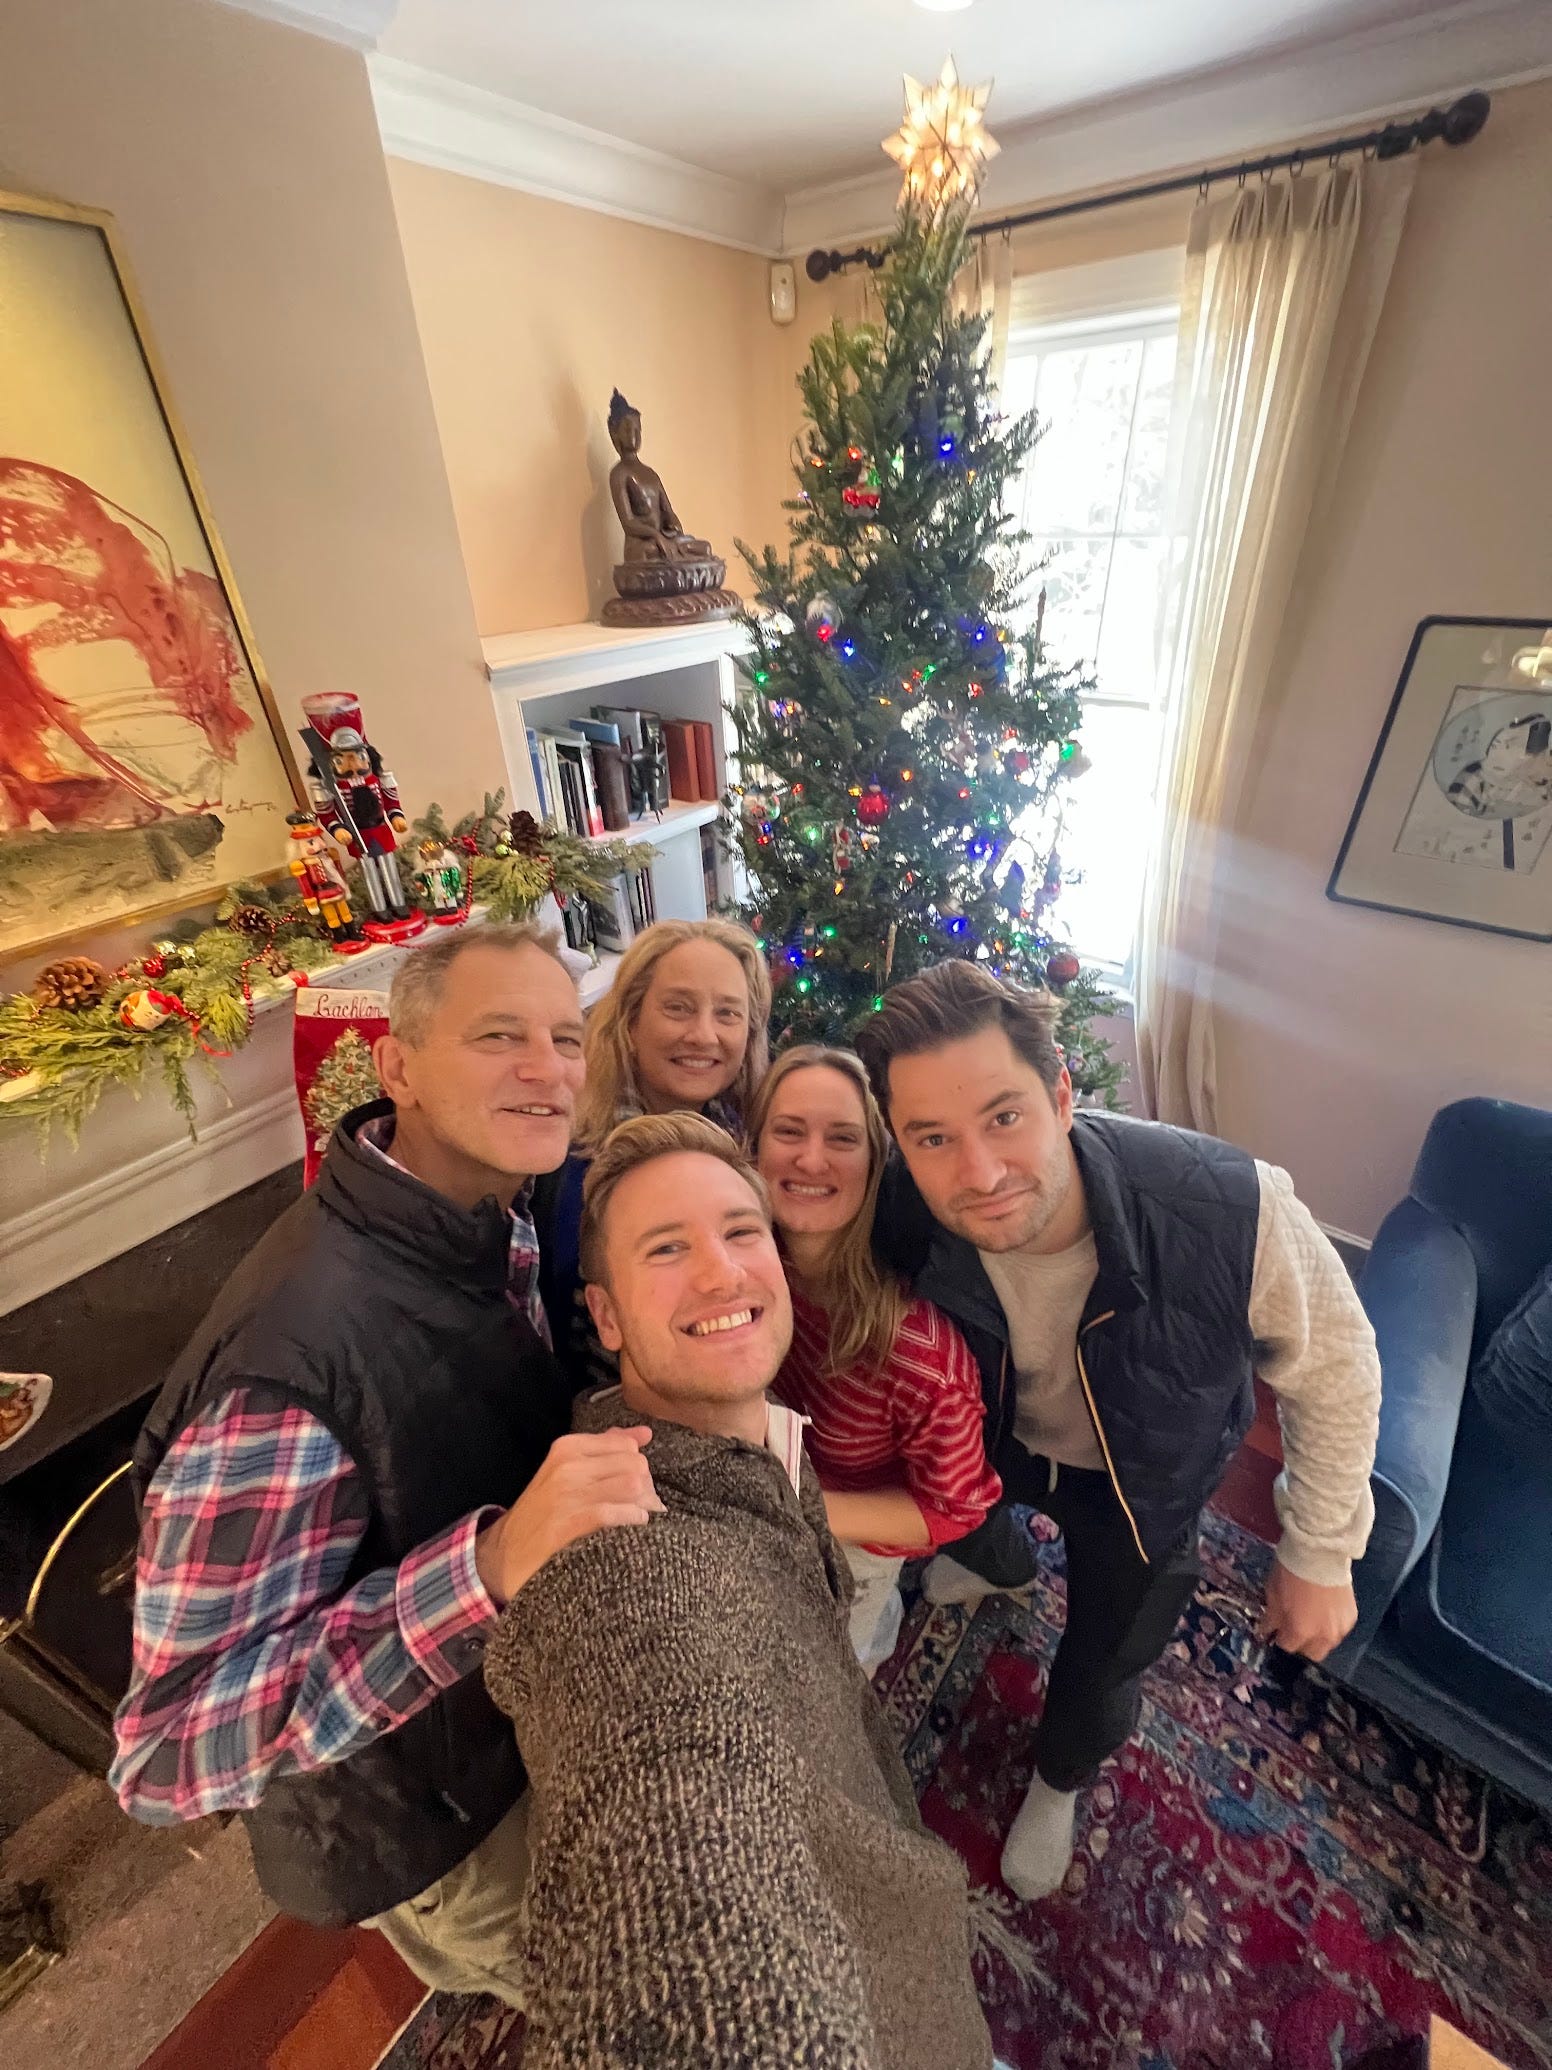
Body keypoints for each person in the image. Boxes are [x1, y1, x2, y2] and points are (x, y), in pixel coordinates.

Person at [111, 925, 662, 2004]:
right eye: (498, 1037)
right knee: (611, 1991)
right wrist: (486, 1569)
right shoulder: (287, 1371)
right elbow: (166, 1749)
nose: (549, 1070)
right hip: (439, 1823)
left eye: (565, 1038)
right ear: (395, 1066)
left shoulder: (481, 1209)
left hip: (508, 1729)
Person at [854, 960, 1381, 1905]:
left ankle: (1059, 1778)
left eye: (1004, 1117)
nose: (979, 1174)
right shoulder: (899, 1205)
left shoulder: (1231, 1210)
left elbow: (1338, 1366)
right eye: (932, 1137)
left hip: (1143, 1477)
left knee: (1106, 1653)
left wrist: (1321, 1549)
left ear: (1062, 1095)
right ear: (900, 1139)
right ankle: (1004, 1564)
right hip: (997, 1444)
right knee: (965, 1523)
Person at [482, 1112, 996, 2069]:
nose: (722, 1273)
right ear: (605, 1316)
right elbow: (669, 1811)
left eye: (740, 1231)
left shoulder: (764, 1432)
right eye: (667, 1248)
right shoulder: (630, 1578)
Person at [749, 1046, 1001, 1673]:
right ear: (753, 1147)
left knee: (831, 1669)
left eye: (842, 1138)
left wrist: (802, 1506)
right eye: (788, 1131)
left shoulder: (919, 1356)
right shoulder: (746, 1262)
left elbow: (955, 1508)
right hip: (767, 1490)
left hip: (853, 1544)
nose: (811, 1159)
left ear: (875, 1163)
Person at [536, 917, 771, 1380]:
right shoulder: (585, 1174)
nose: (704, 1035)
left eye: (728, 1013)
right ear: (630, 1022)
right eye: (678, 1008)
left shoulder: (734, 1128)